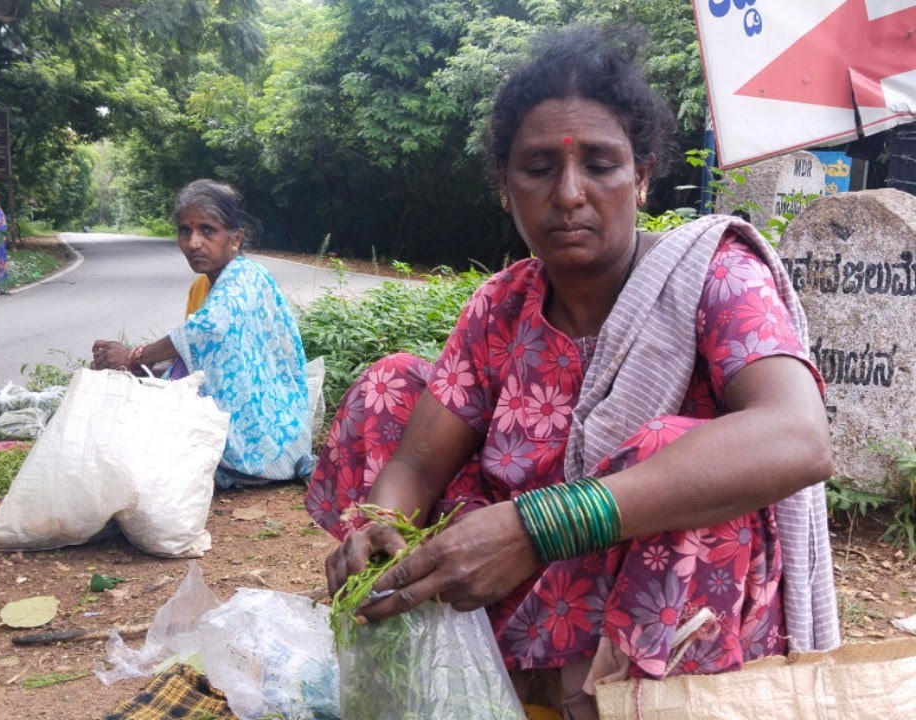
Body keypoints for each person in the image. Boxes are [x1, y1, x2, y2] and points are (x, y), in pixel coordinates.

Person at [307, 26, 838, 717]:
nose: (568, 193)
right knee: (394, 386)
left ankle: (619, 701)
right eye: (537, 168)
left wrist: (538, 527)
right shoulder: (503, 306)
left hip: (658, 587)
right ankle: (484, 680)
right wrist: (378, 528)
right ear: (504, 187)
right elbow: (416, 460)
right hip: (512, 584)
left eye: (600, 164)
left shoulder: (714, 276)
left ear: (642, 176)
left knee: (676, 455)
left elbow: (797, 436)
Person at [91, 179, 314, 488]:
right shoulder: (205, 286)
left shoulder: (244, 277)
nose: (194, 242)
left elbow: (207, 330)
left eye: (207, 230)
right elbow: (203, 360)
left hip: (264, 444)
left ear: (235, 238)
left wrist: (133, 356)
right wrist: (138, 368)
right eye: (186, 231)